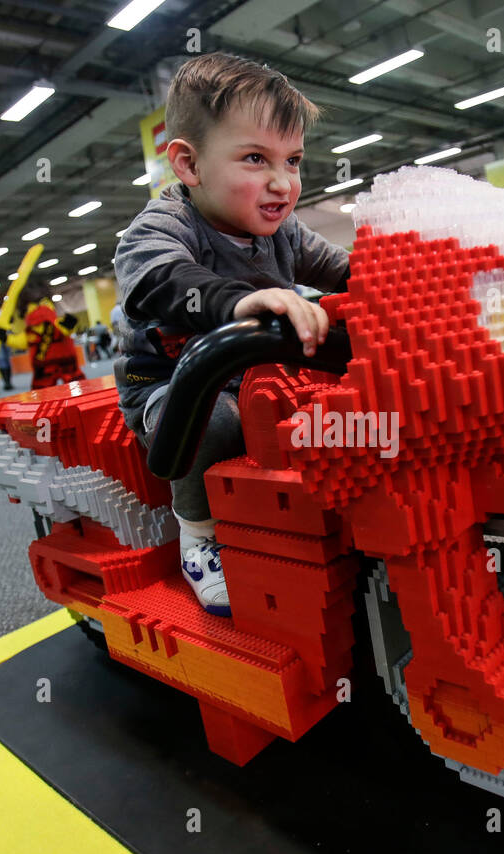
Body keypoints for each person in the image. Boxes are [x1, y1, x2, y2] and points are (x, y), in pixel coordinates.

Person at [113, 52, 350, 616]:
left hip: (260, 375)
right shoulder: (163, 226)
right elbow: (157, 280)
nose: (281, 182)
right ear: (189, 165)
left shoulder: (284, 231)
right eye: (254, 158)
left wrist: (403, 271)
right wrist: (240, 301)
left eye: (293, 161)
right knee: (218, 420)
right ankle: (198, 536)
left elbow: (343, 269)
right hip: (174, 387)